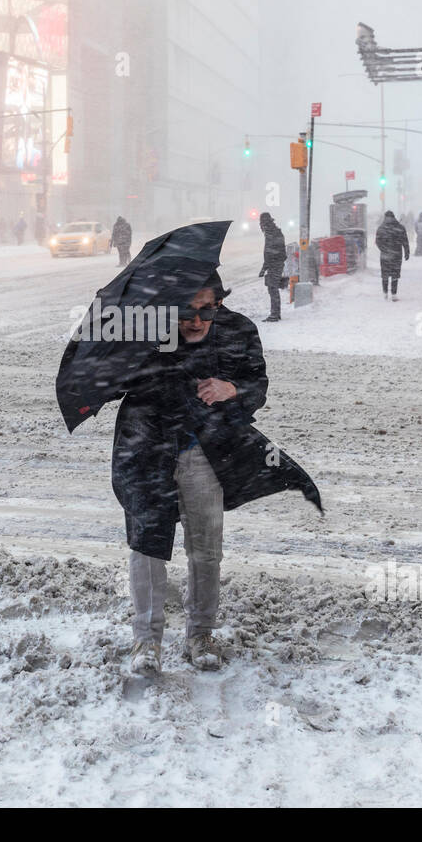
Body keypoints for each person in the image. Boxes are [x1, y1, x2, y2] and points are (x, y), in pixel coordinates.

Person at [113, 271, 314, 674]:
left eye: (209, 309)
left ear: (219, 304)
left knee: (206, 547)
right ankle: (146, 641)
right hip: (147, 451)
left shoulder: (237, 332)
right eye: (188, 309)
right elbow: (112, 382)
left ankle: (200, 633)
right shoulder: (145, 333)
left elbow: (258, 385)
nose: (198, 320)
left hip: (205, 453)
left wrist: (231, 390)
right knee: (147, 546)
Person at [375, 210, 410, 300]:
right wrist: (407, 252)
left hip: (385, 256)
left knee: (385, 274)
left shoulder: (381, 228)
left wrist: (384, 250)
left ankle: (385, 293)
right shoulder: (400, 227)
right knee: (395, 274)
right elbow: (405, 241)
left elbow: (378, 242)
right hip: (396, 254)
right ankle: (394, 294)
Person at [258, 212, 287, 322]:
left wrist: (265, 267)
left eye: (261, 223)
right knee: (272, 288)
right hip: (275, 264)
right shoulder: (272, 232)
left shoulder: (273, 233)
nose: (261, 226)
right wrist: (264, 268)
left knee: (273, 288)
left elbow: (272, 252)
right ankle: (276, 313)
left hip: (275, 264)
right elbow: (269, 253)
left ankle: (275, 314)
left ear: (265, 223)